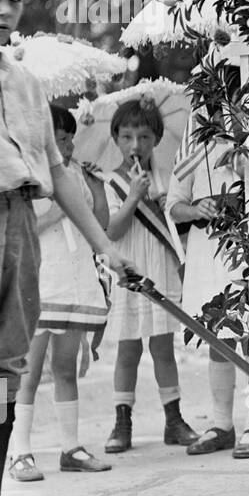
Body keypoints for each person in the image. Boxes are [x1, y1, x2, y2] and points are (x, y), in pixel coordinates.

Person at [0, 0, 132, 496]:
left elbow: (58, 172)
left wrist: (106, 247)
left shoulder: (23, 80)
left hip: (19, 227)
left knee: (0, 374)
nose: (6, 10)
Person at [7, 106, 113, 481]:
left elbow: (98, 227)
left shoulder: (76, 175)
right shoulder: (24, 176)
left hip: (74, 279)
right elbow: (24, 229)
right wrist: (59, 208)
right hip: (41, 280)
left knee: (66, 367)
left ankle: (71, 447)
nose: (67, 145)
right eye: (60, 138)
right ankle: (19, 451)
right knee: (29, 372)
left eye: (69, 138)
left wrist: (96, 191)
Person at [99, 97, 198, 452]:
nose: (135, 145)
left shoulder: (166, 177)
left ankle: (173, 419)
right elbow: (111, 230)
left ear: (155, 139)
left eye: (143, 137)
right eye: (126, 137)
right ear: (115, 139)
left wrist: (158, 199)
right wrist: (133, 197)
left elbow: (176, 228)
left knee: (162, 347)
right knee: (128, 349)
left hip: (160, 266)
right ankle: (121, 421)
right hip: (131, 269)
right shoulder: (109, 182)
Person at [167, 96, 249, 456]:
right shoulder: (194, 150)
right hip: (207, 250)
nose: (221, 113)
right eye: (215, 107)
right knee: (219, 334)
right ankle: (222, 424)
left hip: (246, 246)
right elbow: (173, 205)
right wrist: (195, 207)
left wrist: (243, 170)